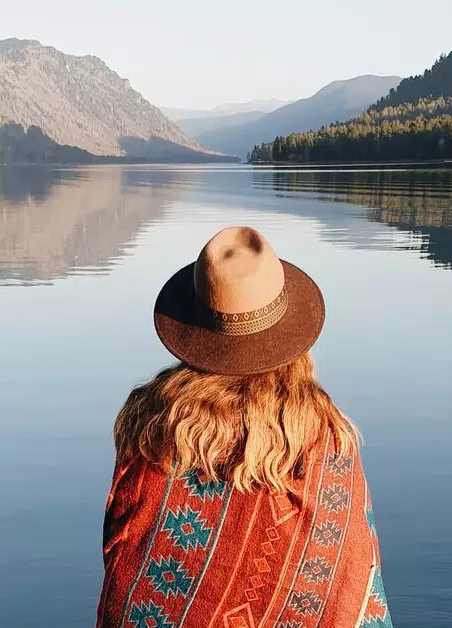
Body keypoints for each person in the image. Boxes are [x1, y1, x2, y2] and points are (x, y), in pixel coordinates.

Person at [96, 226, 392, 627]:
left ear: (195, 328)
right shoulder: (326, 438)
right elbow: (353, 578)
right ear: (289, 332)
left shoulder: (149, 429)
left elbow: (123, 547)